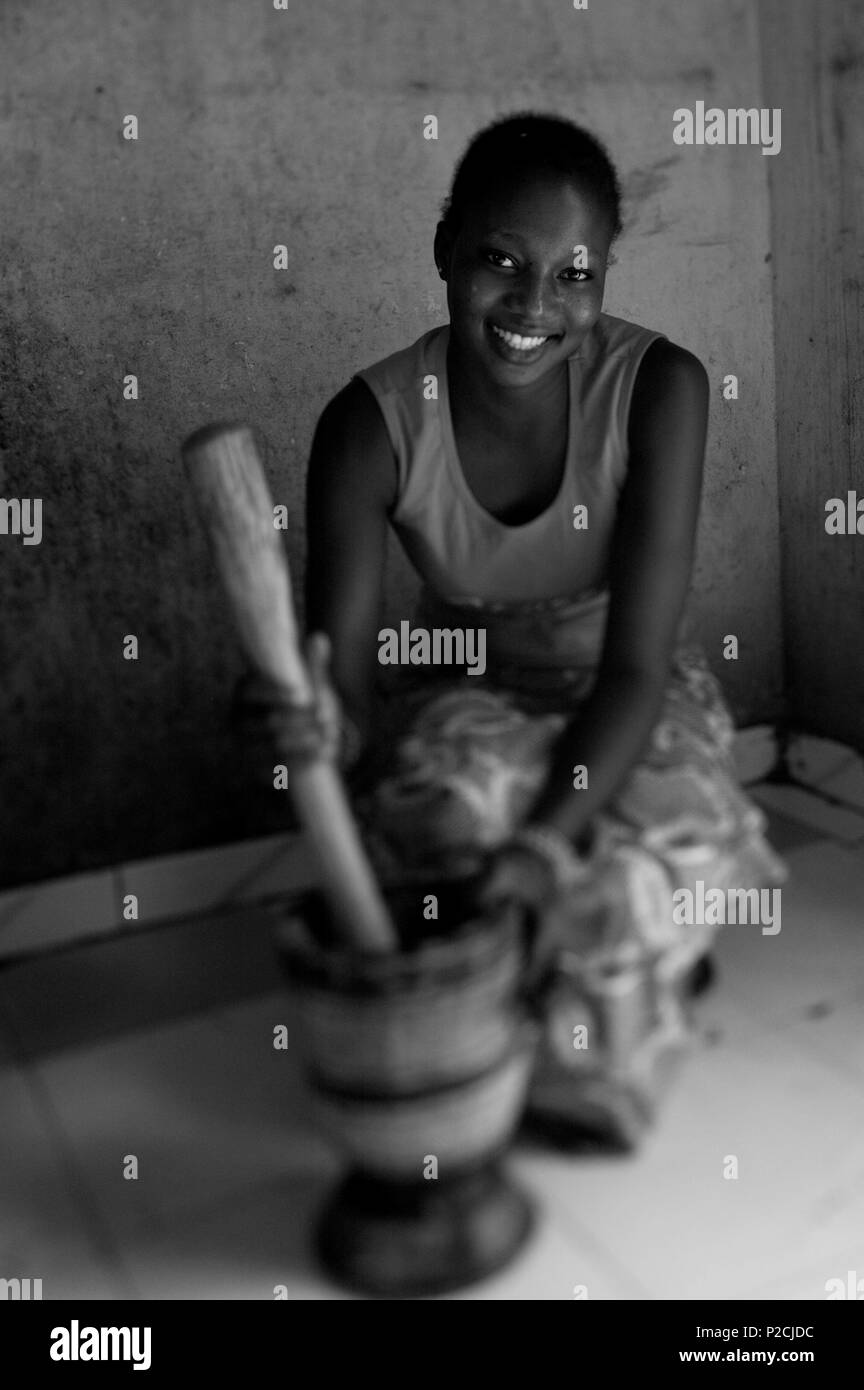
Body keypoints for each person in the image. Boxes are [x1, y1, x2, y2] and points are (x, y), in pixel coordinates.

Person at [239, 113, 785, 1148]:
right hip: (467, 688)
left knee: (655, 850)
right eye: (500, 260)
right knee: (444, 823)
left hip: (624, 691)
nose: (536, 304)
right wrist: (312, 729)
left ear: (607, 276)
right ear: (445, 249)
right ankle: (574, 963)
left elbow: (632, 667)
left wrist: (544, 844)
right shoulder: (369, 425)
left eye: (577, 272)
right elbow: (346, 692)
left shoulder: (660, 388)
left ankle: (624, 947)